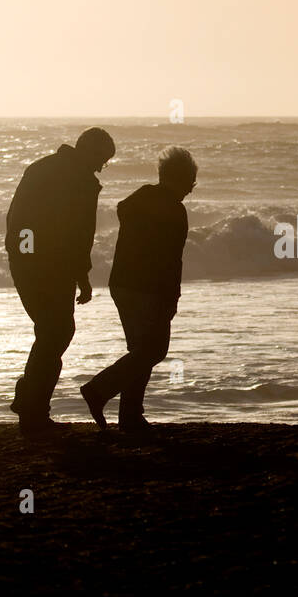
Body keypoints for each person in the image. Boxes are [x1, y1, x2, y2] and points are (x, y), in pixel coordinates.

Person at [5, 127, 115, 434]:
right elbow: (80, 235)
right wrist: (78, 275)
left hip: (36, 264)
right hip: (48, 267)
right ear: (89, 152)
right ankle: (31, 408)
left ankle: (30, 403)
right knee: (57, 331)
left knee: (52, 332)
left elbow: (17, 219)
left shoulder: (41, 168)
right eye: (102, 159)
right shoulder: (80, 182)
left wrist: (24, 255)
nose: (101, 167)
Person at [81, 147, 196, 432]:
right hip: (149, 288)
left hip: (122, 283)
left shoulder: (140, 198)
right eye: (190, 183)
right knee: (154, 350)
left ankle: (130, 416)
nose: (190, 191)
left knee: (140, 350)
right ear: (180, 179)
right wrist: (172, 297)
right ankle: (99, 390)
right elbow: (171, 260)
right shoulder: (174, 211)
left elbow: (124, 212)